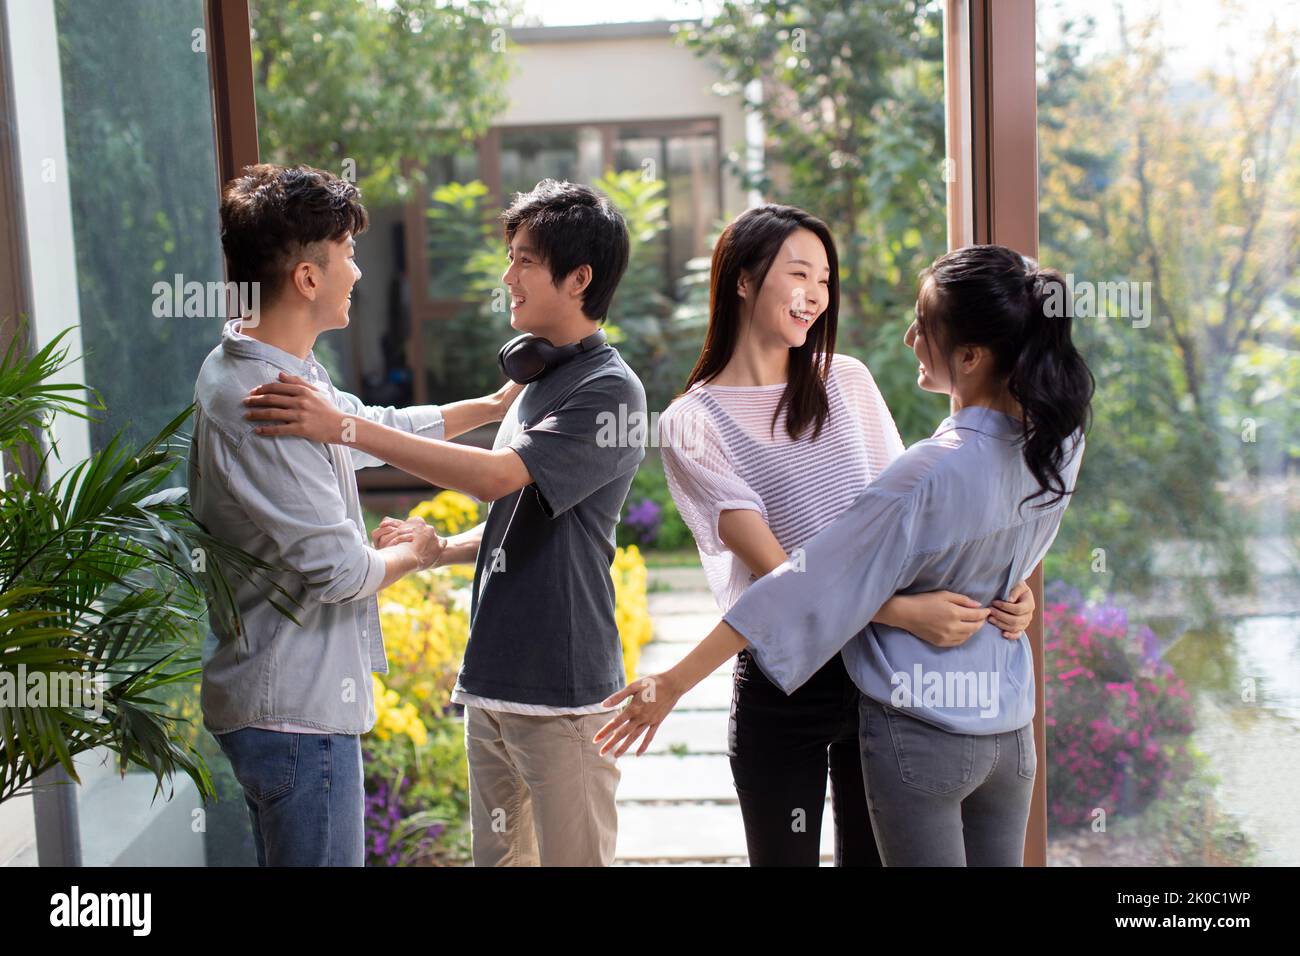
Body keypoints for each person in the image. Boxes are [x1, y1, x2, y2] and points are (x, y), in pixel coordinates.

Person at [598, 243, 1094, 866]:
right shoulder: (1060, 440)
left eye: (822, 276)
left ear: (970, 356)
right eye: (798, 273)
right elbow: (943, 541)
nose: (911, 334)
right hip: (999, 725)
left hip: (908, 719)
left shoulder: (917, 459)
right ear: (743, 284)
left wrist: (674, 681)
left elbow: (812, 582)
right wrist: (995, 588)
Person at [242, 179, 646, 866]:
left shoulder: (611, 392)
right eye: (510, 255)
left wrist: (343, 428)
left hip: (565, 695)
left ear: (578, 278)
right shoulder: (537, 381)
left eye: (523, 260)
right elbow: (519, 526)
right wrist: (435, 551)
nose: (507, 276)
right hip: (492, 682)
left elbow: (494, 480)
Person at [192, 163, 520, 866]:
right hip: (297, 716)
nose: (358, 272)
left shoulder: (272, 368)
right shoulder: (264, 402)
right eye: (347, 253)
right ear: (308, 277)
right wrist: (419, 551)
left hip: (275, 706)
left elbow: (367, 425)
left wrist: (488, 410)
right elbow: (340, 571)